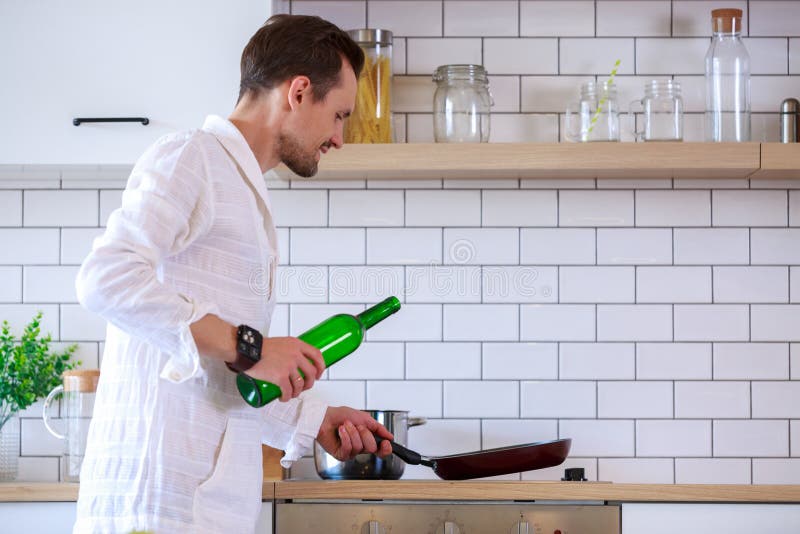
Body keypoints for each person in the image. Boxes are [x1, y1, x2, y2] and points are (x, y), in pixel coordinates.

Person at [73, 14, 393, 533]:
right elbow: (105, 278)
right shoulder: (190, 158)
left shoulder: (241, 188)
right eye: (338, 116)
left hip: (205, 503)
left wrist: (319, 419)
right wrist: (252, 345)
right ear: (299, 91)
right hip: (156, 501)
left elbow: (222, 375)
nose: (338, 138)